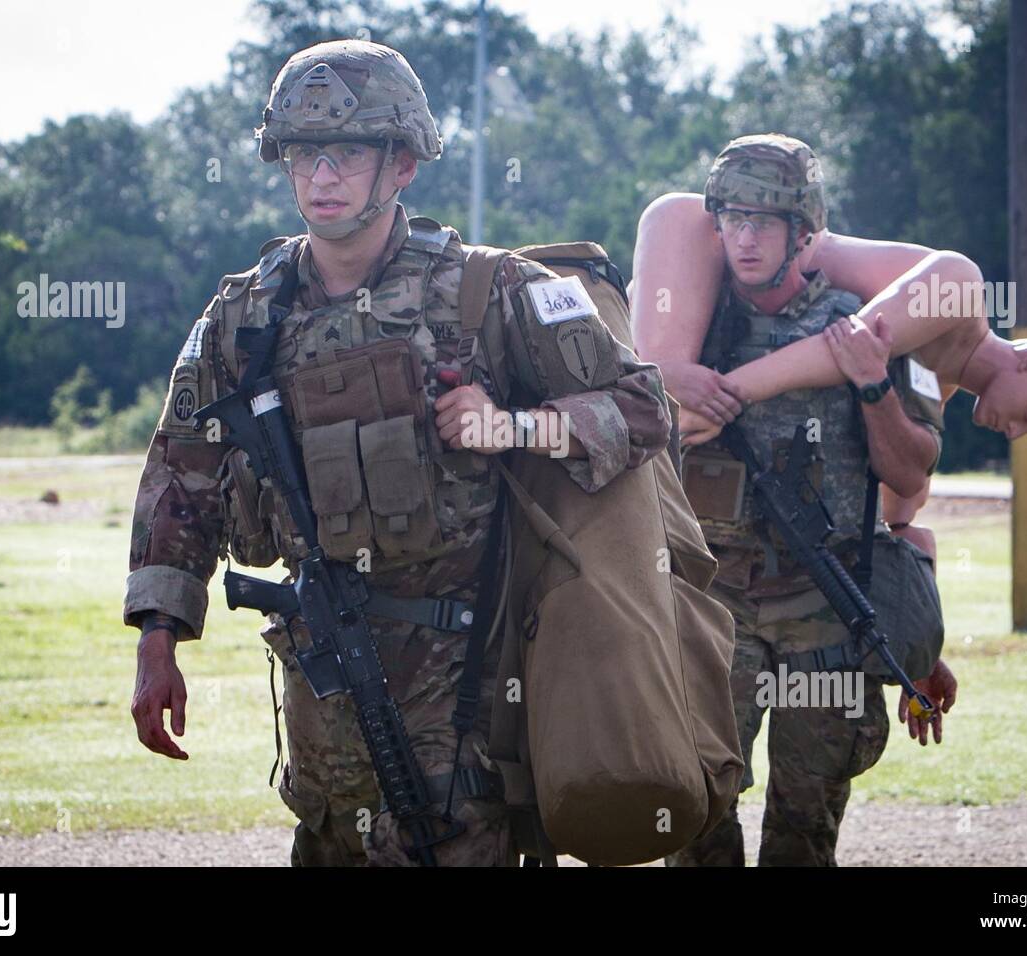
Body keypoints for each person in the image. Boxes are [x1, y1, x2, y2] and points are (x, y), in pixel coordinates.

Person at [124, 39, 671, 867]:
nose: (322, 176)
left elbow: (642, 408)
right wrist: (158, 638)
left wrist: (514, 426)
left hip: (464, 697)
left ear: (404, 163)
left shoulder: (496, 289)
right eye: (304, 155)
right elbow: (183, 472)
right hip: (321, 689)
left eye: (345, 152)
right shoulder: (244, 316)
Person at [651, 134, 955, 867]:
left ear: (804, 233)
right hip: (713, 608)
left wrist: (873, 385)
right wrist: (669, 381)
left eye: (765, 220)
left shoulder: (866, 324)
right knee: (694, 811)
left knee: (806, 825)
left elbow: (913, 472)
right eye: (732, 218)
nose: (745, 237)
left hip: (824, 609)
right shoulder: (687, 326)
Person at [630, 194, 1027, 446]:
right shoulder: (960, 287)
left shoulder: (936, 386)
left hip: (716, 328)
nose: (1015, 433)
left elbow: (903, 492)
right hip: (711, 264)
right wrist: (721, 397)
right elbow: (849, 345)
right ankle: (652, 381)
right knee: (677, 211)